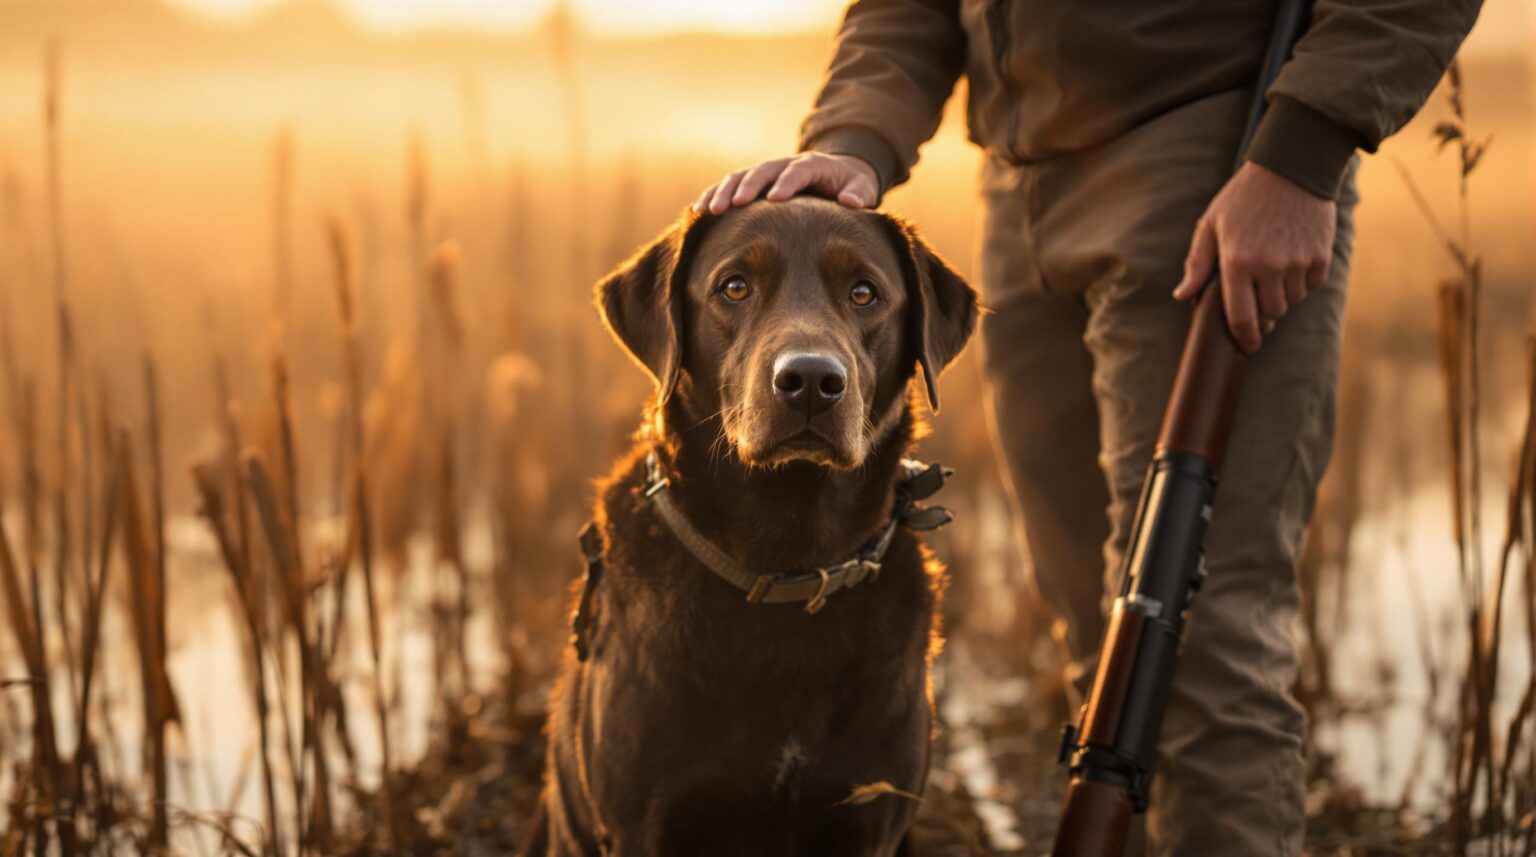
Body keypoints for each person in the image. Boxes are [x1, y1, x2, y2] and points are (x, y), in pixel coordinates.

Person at [694, 1, 1481, 853]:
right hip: (1017, 185)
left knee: (1200, 655)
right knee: (1102, 646)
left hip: (1214, 169)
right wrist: (852, 139)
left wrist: (1301, 156)